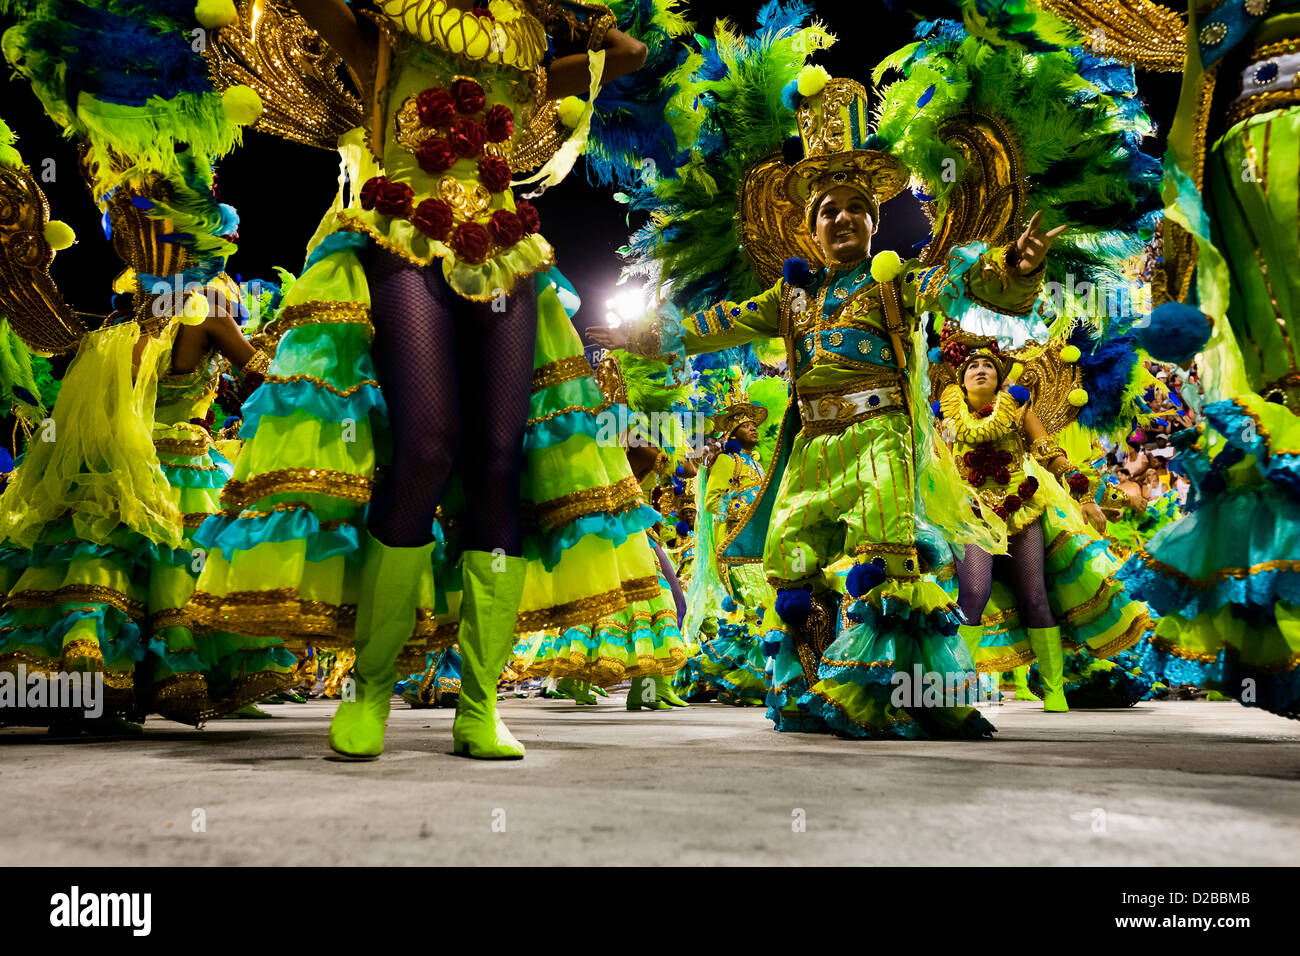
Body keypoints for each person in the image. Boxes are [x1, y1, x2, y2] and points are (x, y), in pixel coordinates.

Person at [186, 0, 663, 759]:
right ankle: (371, 689)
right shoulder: (382, 35)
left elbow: (631, 55)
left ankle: (479, 705)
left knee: (498, 460)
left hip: (504, 255)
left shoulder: (527, 54)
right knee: (429, 445)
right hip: (403, 238)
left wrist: (570, 11)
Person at [591, 76, 1056, 739]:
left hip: (880, 439)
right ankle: (813, 692)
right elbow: (714, 322)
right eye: (828, 211)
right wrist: (644, 335)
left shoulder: (897, 282)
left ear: (873, 223)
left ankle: (913, 699)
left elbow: (965, 284)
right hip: (810, 446)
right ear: (809, 229)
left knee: (885, 563)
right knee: (791, 565)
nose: (842, 219)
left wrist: (1018, 268)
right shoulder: (792, 298)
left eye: (855, 209)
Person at [933, 336, 1154, 712]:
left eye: (988, 366)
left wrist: (1085, 497)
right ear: (961, 379)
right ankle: (956, 692)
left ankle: (1054, 689)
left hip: (1022, 510)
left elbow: (1051, 454)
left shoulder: (1019, 408)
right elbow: (933, 466)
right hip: (972, 517)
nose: (980, 370)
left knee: (1034, 596)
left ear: (999, 377)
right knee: (973, 594)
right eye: (972, 367)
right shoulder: (945, 417)